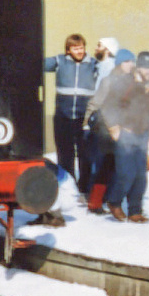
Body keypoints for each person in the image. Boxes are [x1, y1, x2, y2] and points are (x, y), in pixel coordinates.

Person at [103, 50, 149, 223]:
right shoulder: (124, 82)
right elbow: (108, 105)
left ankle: (135, 211)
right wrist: (113, 128)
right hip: (125, 133)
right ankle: (114, 201)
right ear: (138, 67)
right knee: (126, 174)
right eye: (146, 68)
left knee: (141, 176)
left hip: (141, 135)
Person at [44, 34, 98, 192]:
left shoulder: (93, 64)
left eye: (81, 47)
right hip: (63, 117)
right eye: (75, 48)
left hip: (84, 118)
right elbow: (35, 63)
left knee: (85, 154)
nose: (79, 51)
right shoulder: (60, 61)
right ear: (68, 50)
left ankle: (84, 187)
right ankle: (68, 187)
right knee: (64, 153)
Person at [85, 48, 137, 212]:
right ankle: (95, 202)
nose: (131, 64)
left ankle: (113, 201)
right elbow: (96, 103)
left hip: (126, 128)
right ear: (120, 63)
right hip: (108, 128)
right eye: (127, 61)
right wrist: (86, 123)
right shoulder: (109, 81)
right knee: (107, 165)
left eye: (132, 61)